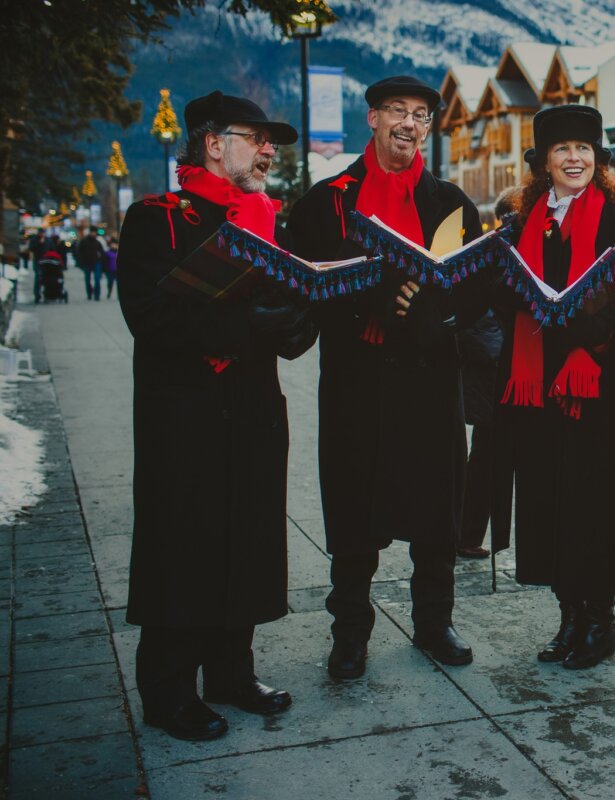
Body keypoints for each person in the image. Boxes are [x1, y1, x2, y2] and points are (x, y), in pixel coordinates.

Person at [117, 90, 315, 742]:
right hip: (185, 416)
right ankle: (168, 690)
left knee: (246, 538)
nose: (268, 152)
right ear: (211, 142)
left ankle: (231, 671)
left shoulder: (269, 221)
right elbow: (150, 315)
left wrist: (302, 315)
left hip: (255, 408)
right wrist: (246, 322)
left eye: (270, 143)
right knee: (185, 544)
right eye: (256, 139)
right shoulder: (156, 219)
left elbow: (286, 319)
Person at [288, 75, 480, 677]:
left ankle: (433, 623)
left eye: (421, 114)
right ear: (371, 118)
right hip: (357, 383)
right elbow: (300, 287)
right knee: (353, 510)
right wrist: (359, 299)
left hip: (429, 381)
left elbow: (477, 295)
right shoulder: (326, 202)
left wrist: (439, 314)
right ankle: (350, 632)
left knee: (435, 509)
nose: (408, 122)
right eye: (396, 110)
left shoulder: (452, 202)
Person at [489, 105, 615, 669]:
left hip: (596, 391)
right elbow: (502, 296)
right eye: (562, 150)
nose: (573, 158)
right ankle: (567, 615)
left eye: (583, 149)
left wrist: (597, 326)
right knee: (549, 503)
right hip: (537, 393)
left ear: (598, 160)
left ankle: (599, 619)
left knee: (595, 505)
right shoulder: (520, 225)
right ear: (543, 163)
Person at [455, 186, 518, 561]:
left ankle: (468, 532)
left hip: (499, 369)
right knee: (487, 458)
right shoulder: (493, 252)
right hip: (492, 373)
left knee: (489, 456)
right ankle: (466, 532)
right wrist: (504, 354)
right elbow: (478, 317)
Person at [77, 229, 105, 301]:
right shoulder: (84, 241)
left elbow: (102, 252)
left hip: (96, 262)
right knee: (87, 279)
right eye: (92, 232)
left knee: (97, 279)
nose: (93, 234)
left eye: (94, 232)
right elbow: (79, 251)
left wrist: (101, 259)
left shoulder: (97, 242)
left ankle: (97, 295)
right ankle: (89, 293)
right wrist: (81, 261)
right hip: (87, 263)